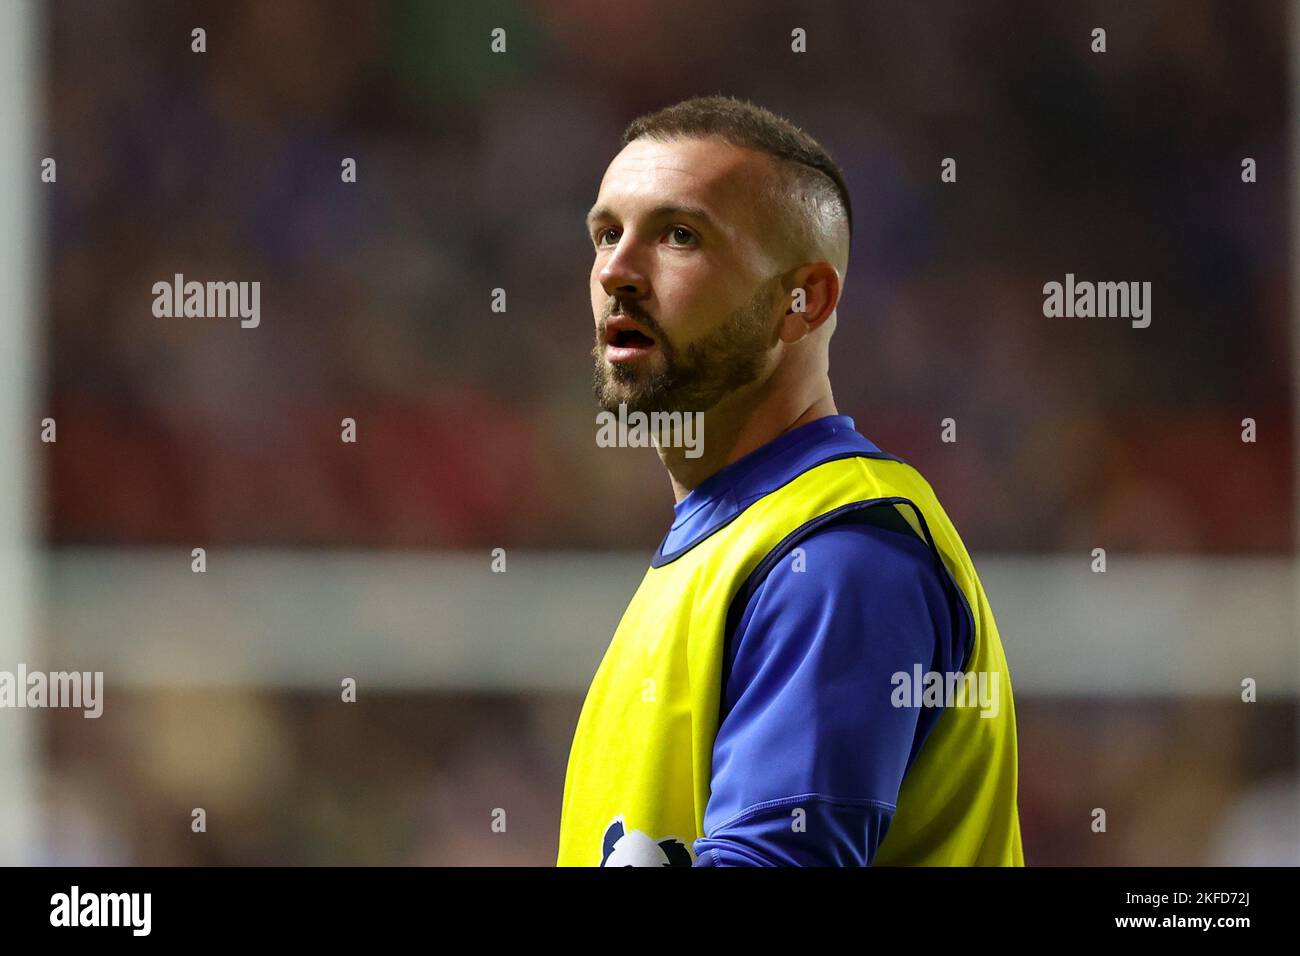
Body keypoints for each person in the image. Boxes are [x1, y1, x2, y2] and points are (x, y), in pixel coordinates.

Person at [557, 95, 1023, 866]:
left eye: (679, 236)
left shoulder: (834, 557)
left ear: (803, 301)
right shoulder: (734, 543)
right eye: (606, 234)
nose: (617, 272)